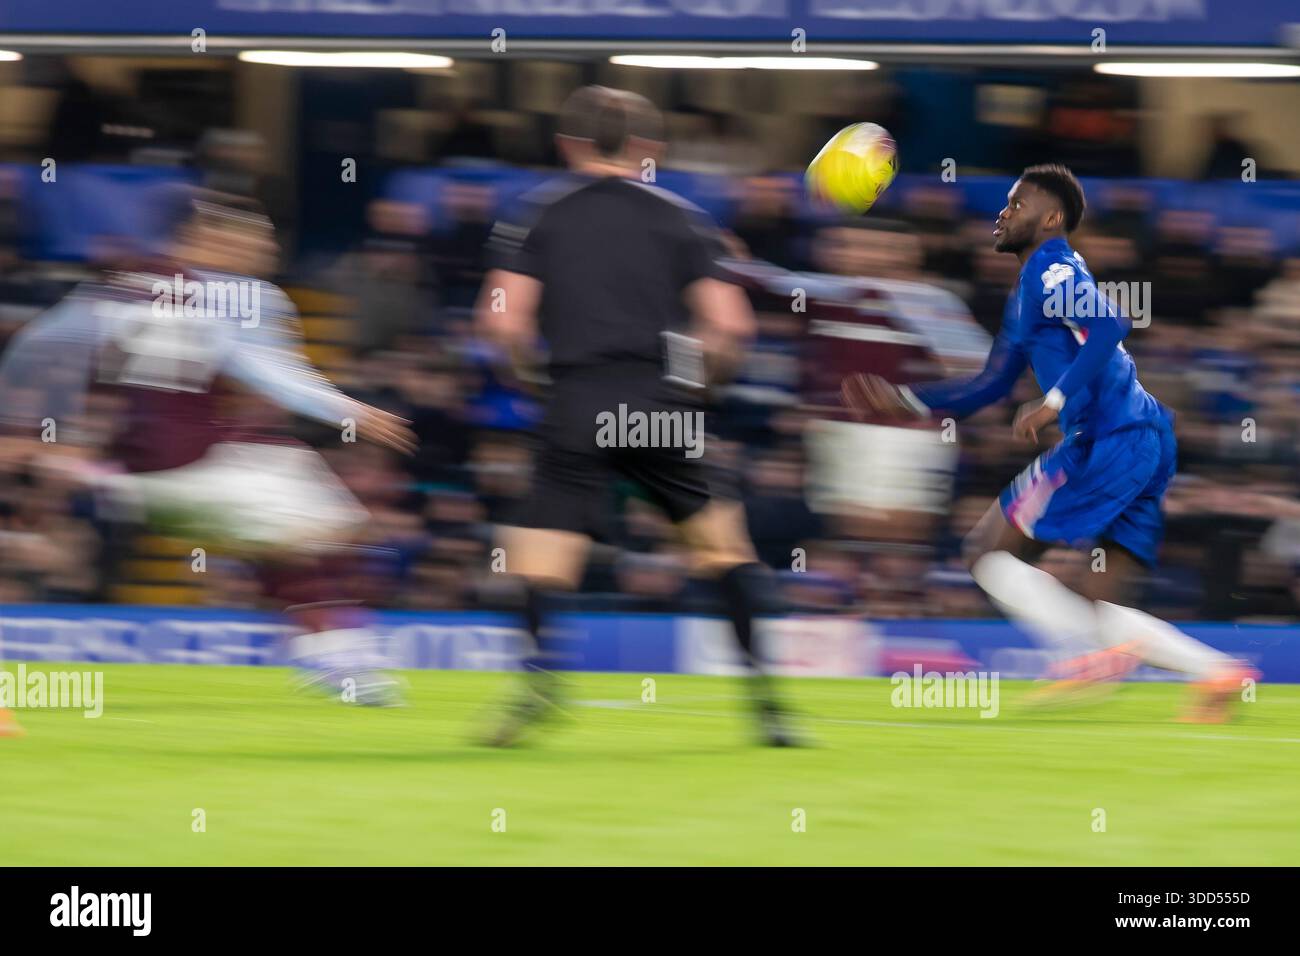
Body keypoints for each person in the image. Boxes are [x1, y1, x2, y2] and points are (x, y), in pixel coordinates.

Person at [842, 164, 1256, 722]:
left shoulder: (1051, 267)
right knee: (1092, 602)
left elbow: (1110, 325)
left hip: (1107, 439)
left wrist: (1053, 401)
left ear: (1051, 218)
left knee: (988, 553)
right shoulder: (1029, 290)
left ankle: (1080, 655)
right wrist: (911, 402)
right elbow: (989, 384)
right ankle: (1217, 673)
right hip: (1143, 438)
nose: (1002, 212)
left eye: (1017, 205)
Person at [474, 85, 800, 746]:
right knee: (721, 549)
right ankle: (767, 704)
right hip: (658, 402)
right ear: (649, 149)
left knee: (538, 557)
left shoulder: (537, 214)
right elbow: (730, 325)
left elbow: (501, 322)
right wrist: (699, 389)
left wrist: (531, 379)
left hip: (575, 396)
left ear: (568, 145)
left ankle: (540, 687)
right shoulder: (684, 218)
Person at [0, 188, 416, 705]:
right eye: (255, 237)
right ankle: (336, 655)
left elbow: (38, 344)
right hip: (198, 473)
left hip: (141, 482)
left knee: (287, 522)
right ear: (212, 235)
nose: (265, 249)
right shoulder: (243, 296)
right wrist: (348, 409)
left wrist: (24, 428)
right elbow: (272, 374)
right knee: (325, 522)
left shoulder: (121, 285)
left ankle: (330, 649)